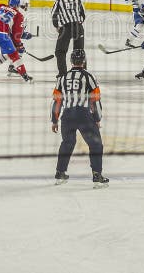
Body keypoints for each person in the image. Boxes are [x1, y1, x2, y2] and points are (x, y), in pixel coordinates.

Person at [51, 49, 108, 188]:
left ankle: (60, 173)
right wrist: (97, 117)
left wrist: (54, 120)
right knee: (96, 144)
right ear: (84, 61)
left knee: (67, 143)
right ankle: (97, 176)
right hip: (84, 115)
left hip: (67, 116)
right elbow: (95, 100)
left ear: (71, 61)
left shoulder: (62, 78)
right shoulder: (89, 76)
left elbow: (56, 100)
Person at [51, 0, 86, 77]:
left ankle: (63, 74)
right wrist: (79, 23)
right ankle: (82, 72)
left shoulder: (59, 1)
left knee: (60, 51)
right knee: (79, 51)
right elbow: (83, 14)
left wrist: (57, 26)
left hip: (65, 29)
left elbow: (54, 15)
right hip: (78, 28)